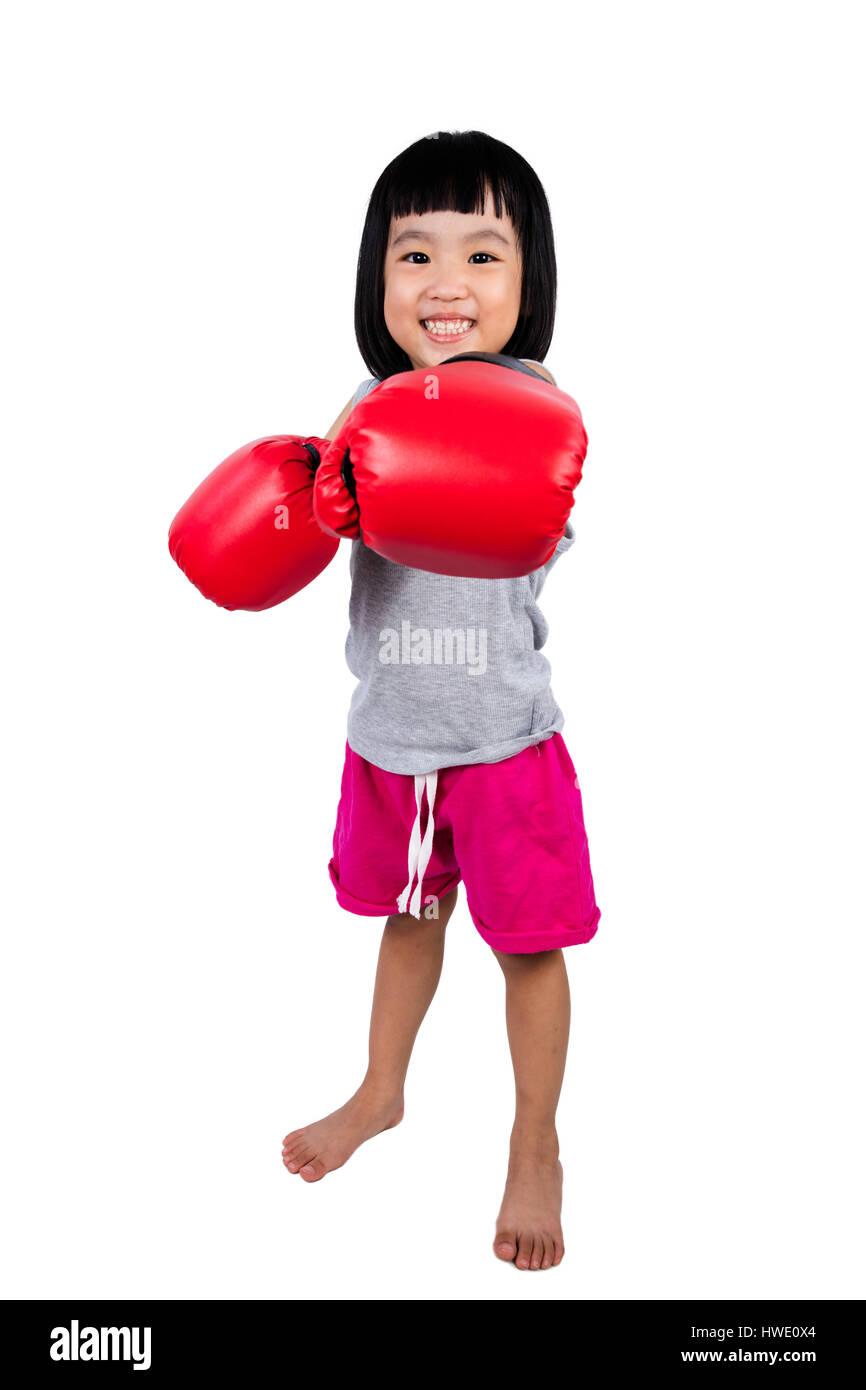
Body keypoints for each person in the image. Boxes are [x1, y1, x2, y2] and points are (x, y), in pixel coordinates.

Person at [281, 130, 601, 1272]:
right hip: (393, 737)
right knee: (405, 922)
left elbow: (536, 527)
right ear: (379, 280)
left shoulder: (538, 408)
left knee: (527, 947)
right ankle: (379, 1092)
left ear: (529, 281)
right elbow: (310, 535)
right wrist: (305, 497)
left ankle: (534, 1139)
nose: (446, 284)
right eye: (413, 256)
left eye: (482, 254)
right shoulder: (363, 402)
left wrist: (423, 479)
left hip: (503, 740)